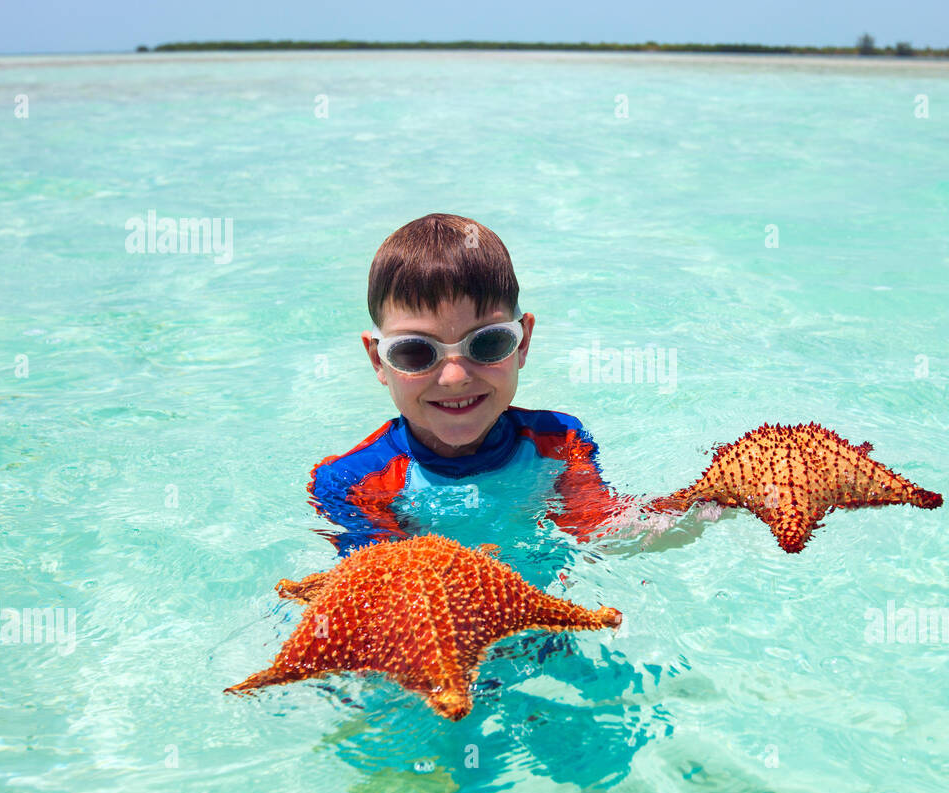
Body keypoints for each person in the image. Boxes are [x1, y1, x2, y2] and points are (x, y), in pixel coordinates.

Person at [307, 213, 718, 557]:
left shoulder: (560, 442)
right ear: (377, 359)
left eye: (487, 343)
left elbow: (600, 534)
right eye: (416, 352)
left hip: (550, 630)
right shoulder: (351, 484)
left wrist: (699, 507)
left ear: (523, 342)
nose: (455, 377)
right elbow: (375, 596)